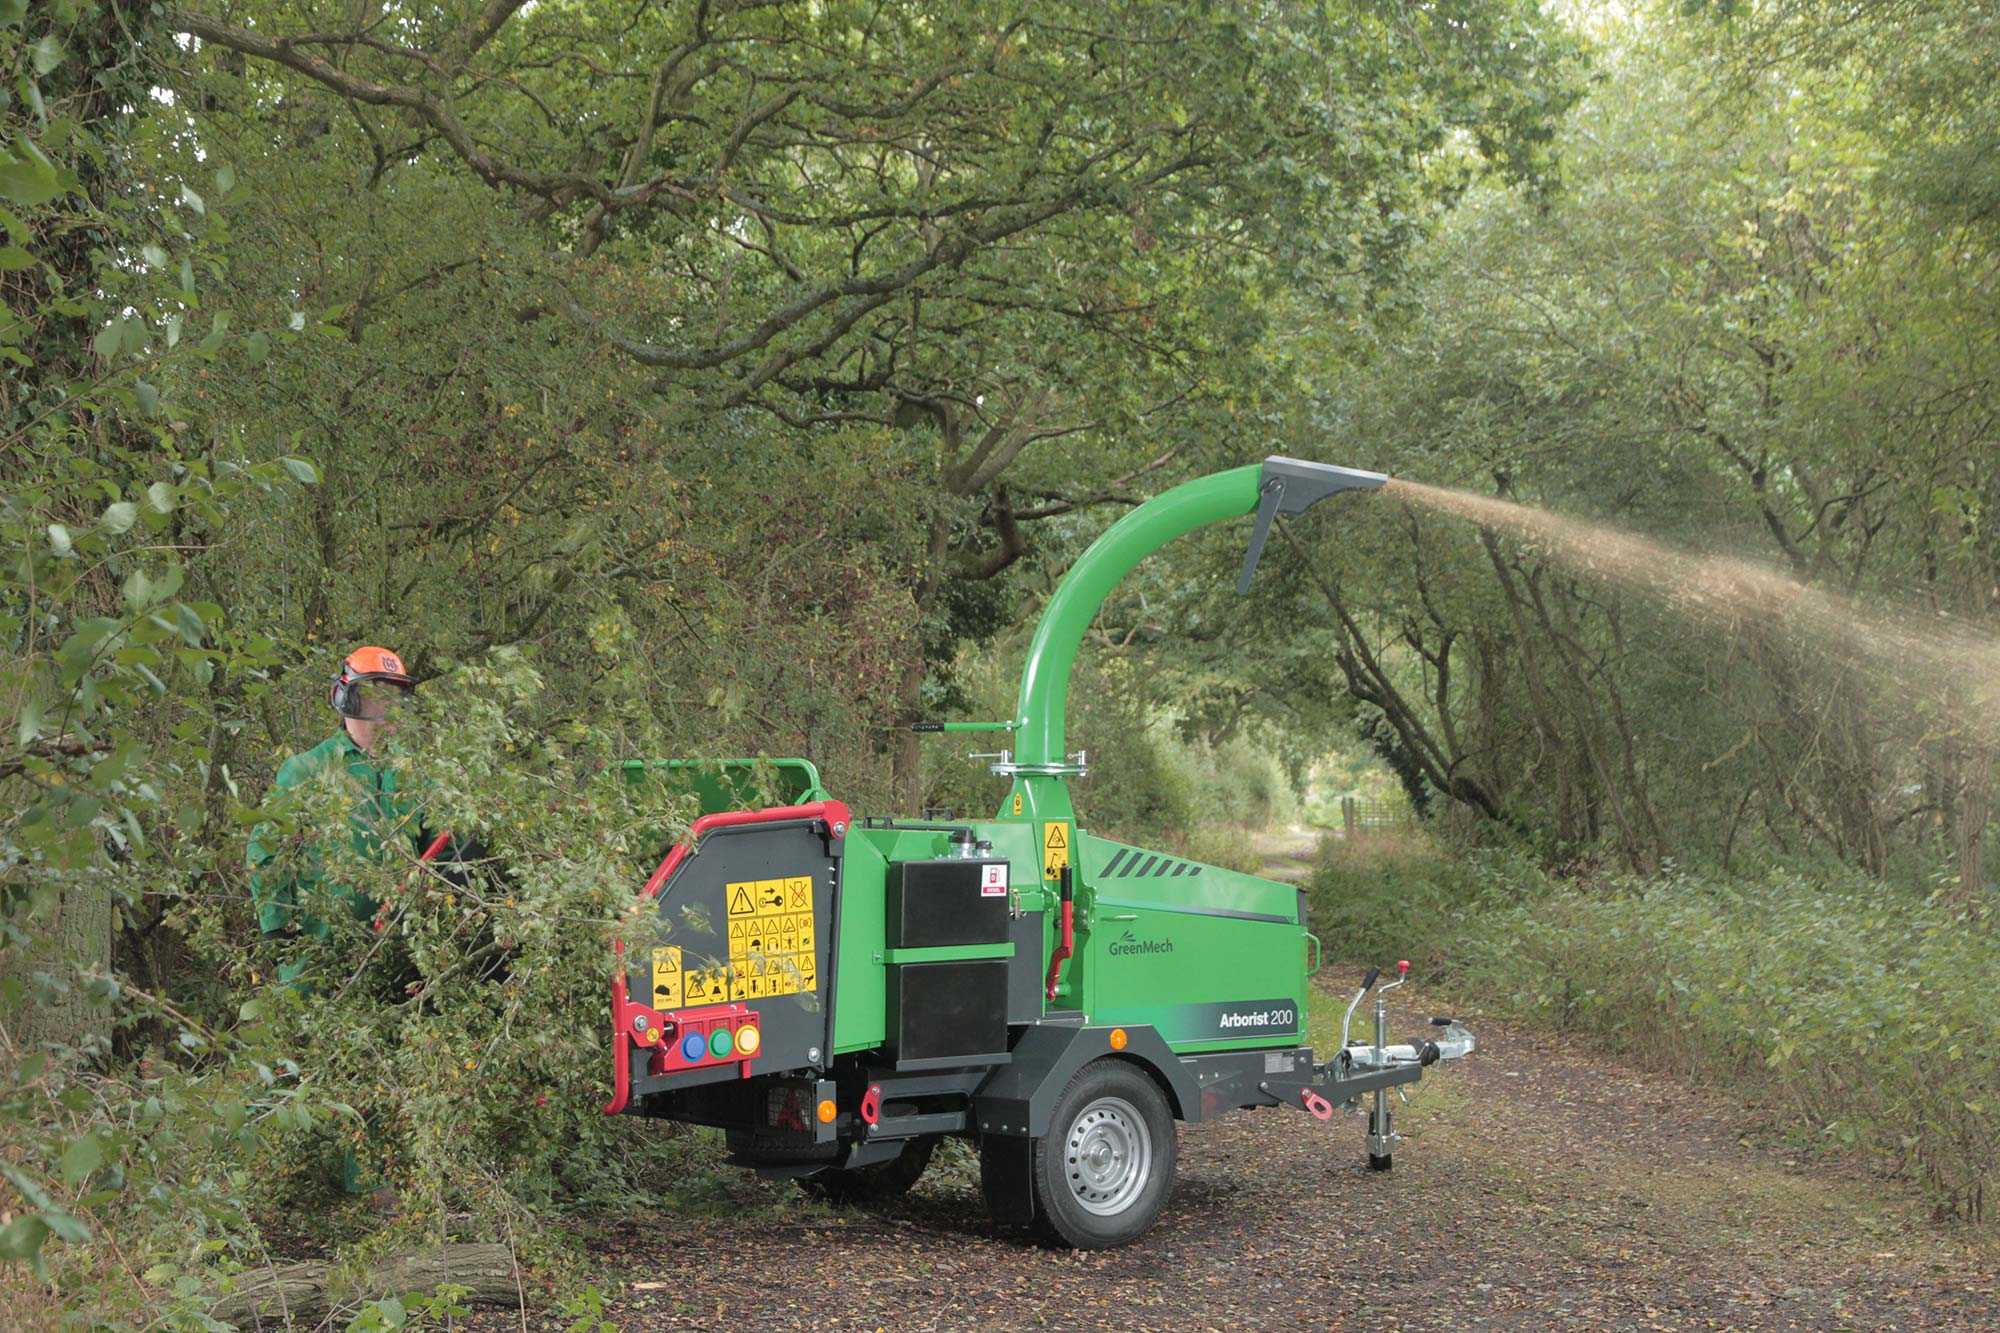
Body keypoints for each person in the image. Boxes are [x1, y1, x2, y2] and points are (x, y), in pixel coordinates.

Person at [245, 645, 425, 1202]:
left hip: (393, 949)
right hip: (317, 948)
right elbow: (267, 851)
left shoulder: (414, 776)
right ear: (344, 696)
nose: (380, 711)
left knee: (382, 1064)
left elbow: (435, 853)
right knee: (299, 1066)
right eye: (370, 696)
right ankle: (262, 1186)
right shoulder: (306, 770)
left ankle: (374, 1187)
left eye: (390, 699)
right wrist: (279, 929)